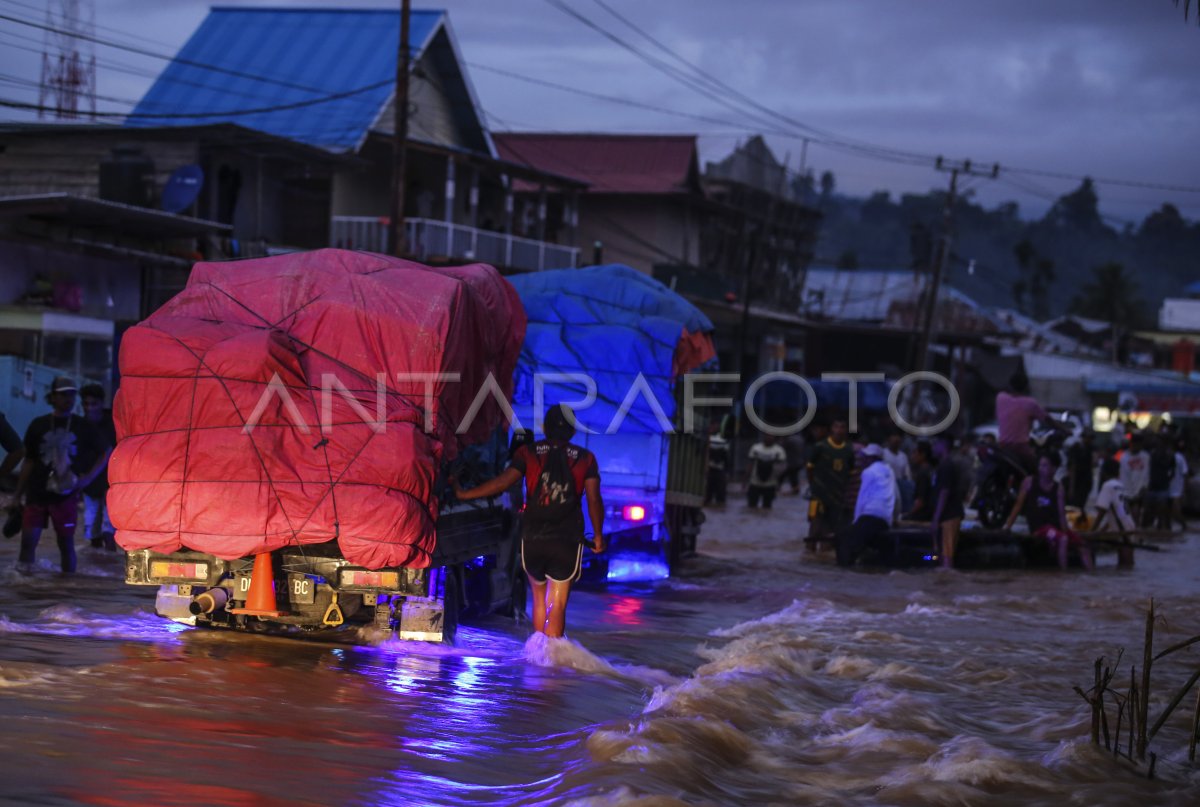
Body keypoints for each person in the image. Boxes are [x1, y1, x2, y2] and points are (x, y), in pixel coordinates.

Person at [452, 404, 604, 638]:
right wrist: (598, 536)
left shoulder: (528, 453)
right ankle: (552, 661)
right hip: (567, 538)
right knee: (558, 602)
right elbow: (594, 499)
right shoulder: (586, 459)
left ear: (545, 428)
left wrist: (463, 494)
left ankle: (537, 653)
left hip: (534, 536)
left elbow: (502, 482)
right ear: (573, 431)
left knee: (538, 598)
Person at [14, 377, 106, 574]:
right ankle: (24, 585)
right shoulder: (38, 425)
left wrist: (88, 478)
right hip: (36, 493)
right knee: (28, 544)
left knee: (66, 545)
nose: (68, 398)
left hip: (66, 495)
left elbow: (106, 451)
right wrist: (16, 495)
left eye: (72, 394)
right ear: (53, 396)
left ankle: (66, 591)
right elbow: (28, 460)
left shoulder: (82, 426)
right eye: (63, 394)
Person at [1004, 454, 1093, 571]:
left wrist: (1069, 533)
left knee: (1083, 546)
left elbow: (1061, 514)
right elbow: (1018, 505)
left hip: (1055, 528)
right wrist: (1008, 526)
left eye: (1045, 465)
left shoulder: (1058, 488)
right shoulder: (1029, 482)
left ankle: (1091, 574)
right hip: (1040, 528)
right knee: (1063, 539)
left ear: (1054, 469)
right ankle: (1063, 574)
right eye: (1040, 465)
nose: (1041, 468)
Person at [839, 444, 899, 567]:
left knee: (843, 538)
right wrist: (895, 518)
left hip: (869, 516)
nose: (862, 461)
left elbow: (862, 497)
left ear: (870, 458)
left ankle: (845, 568)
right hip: (884, 519)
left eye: (864, 458)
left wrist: (855, 521)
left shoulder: (868, 472)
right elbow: (897, 497)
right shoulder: (889, 471)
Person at [79, 384, 117, 551]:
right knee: (92, 527)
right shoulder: (81, 424)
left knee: (109, 529)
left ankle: (106, 568)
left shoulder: (113, 423)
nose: (90, 408)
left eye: (93, 404)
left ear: (101, 403)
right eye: (86, 404)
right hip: (90, 480)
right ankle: (96, 566)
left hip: (112, 480)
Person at [806, 417, 855, 544]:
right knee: (815, 527)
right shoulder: (820, 447)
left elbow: (850, 474)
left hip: (837, 497)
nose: (839, 430)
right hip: (818, 496)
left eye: (842, 427)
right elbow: (809, 469)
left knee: (831, 530)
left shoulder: (849, 450)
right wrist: (813, 486)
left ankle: (824, 556)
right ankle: (809, 555)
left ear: (846, 430)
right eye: (836, 427)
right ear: (831, 429)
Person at [995, 371, 1052, 473]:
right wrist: (1064, 429)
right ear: (1026, 387)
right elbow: (1047, 419)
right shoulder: (1030, 403)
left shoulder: (1000, 397)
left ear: (1010, 385)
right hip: (1020, 448)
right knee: (1037, 472)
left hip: (1002, 446)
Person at [929, 437, 964, 568]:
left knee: (947, 557)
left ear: (942, 445)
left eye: (935, 445)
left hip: (948, 516)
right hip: (948, 515)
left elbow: (944, 492)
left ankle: (949, 582)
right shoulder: (944, 465)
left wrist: (936, 519)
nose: (932, 448)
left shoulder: (946, 466)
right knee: (939, 555)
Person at [1094, 458, 1136, 534]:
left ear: (1104, 472)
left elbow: (1102, 512)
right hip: (1130, 527)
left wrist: (1092, 531)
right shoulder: (1120, 485)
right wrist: (1101, 531)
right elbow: (1119, 512)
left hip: (1122, 532)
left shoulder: (1108, 485)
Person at [746, 433, 787, 509]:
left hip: (770, 484)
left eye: (771, 436)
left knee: (767, 508)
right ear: (763, 436)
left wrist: (779, 484)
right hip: (755, 483)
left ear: (774, 437)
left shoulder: (779, 450)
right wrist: (745, 481)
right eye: (767, 435)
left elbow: (782, 469)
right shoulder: (756, 448)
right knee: (751, 507)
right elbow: (750, 465)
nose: (769, 437)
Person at [1120, 434, 1150, 525]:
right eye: (1135, 444)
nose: (1137, 447)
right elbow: (1123, 475)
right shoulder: (1124, 457)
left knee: (1139, 516)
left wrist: (1144, 487)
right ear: (1131, 443)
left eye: (1139, 444)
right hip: (1127, 491)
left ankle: (1137, 533)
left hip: (1142, 490)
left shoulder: (1145, 456)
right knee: (1125, 515)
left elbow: (1147, 473)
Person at [1145, 437, 1175, 530]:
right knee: (1149, 511)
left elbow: (1172, 470)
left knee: (1162, 510)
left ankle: (1161, 528)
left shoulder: (1169, 455)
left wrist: (1167, 479)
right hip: (1152, 485)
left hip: (1162, 486)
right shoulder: (1151, 454)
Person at [904, 440, 934, 521]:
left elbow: (921, 501)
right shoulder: (931, 470)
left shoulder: (923, 473)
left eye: (915, 453)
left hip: (923, 515)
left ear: (923, 455)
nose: (913, 456)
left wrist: (908, 514)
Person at [1066, 430, 1096, 510]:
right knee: (1073, 506)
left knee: (1080, 505)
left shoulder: (1090, 448)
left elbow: (1093, 464)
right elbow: (1072, 468)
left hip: (1085, 482)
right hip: (1077, 481)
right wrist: (1071, 487)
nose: (1089, 440)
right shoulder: (1076, 448)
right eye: (1088, 438)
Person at [703, 424, 729, 508]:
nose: (713, 428)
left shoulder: (721, 439)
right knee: (708, 493)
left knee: (719, 493)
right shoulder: (705, 437)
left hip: (718, 470)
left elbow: (725, 457)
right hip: (709, 470)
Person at [1170, 439, 1189, 532]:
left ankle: (1185, 527)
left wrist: (1184, 490)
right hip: (1168, 489)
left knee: (1176, 512)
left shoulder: (1180, 458)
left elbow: (1185, 474)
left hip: (1177, 489)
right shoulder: (1166, 456)